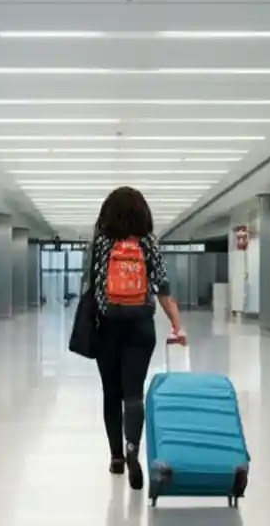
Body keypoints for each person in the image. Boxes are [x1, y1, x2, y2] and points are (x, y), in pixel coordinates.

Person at [89, 186, 186, 490]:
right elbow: (163, 287)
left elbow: (91, 285)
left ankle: (116, 457)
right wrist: (176, 324)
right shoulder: (148, 243)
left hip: (108, 325)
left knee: (111, 393)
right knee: (133, 393)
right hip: (141, 326)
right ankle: (133, 450)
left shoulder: (102, 243)